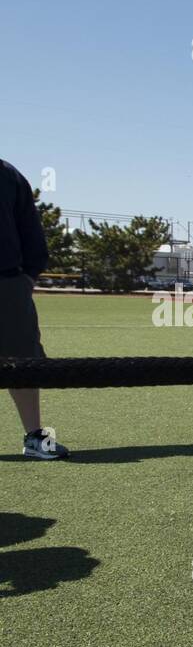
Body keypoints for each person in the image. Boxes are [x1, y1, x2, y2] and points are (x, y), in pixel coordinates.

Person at [0, 158, 69, 459]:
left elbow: (30, 230)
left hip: (6, 283)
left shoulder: (8, 175)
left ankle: (34, 437)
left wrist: (27, 276)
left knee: (23, 362)